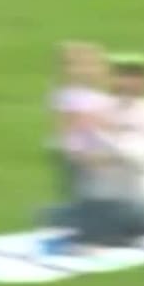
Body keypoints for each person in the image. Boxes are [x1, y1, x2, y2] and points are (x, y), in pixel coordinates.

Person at [60, 53, 144, 246]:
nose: (127, 82)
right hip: (104, 194)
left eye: (136, 77)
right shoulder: (99, 108)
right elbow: (74, 147)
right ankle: (107, 222)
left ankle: (120, 224)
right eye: (121, 75)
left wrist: (111, 150)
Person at [45, 41, 114, 215]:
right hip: (82, 156)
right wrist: (82, 154)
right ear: (66, 70)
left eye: (93, 64)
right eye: (79, 65)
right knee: (87, 197)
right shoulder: (69, 96)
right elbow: (72, 129)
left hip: (99, 154)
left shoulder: (98, 95)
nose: (87, 70)